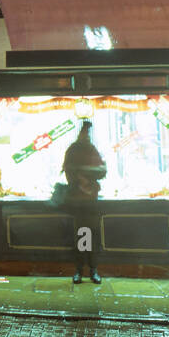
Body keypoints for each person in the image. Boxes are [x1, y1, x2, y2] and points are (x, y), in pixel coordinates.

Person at [61, 120, 107, 284]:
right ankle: (81, 270)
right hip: (79, 202)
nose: (86, 135)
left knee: (92, 236)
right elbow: (68, 170)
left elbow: (102, 170)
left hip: (90, 202)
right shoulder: (74, 150)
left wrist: (84, 175)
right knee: (82, 236)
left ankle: (92, 270)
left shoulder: (90, 149)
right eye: (85, 132)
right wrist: (83, 178)